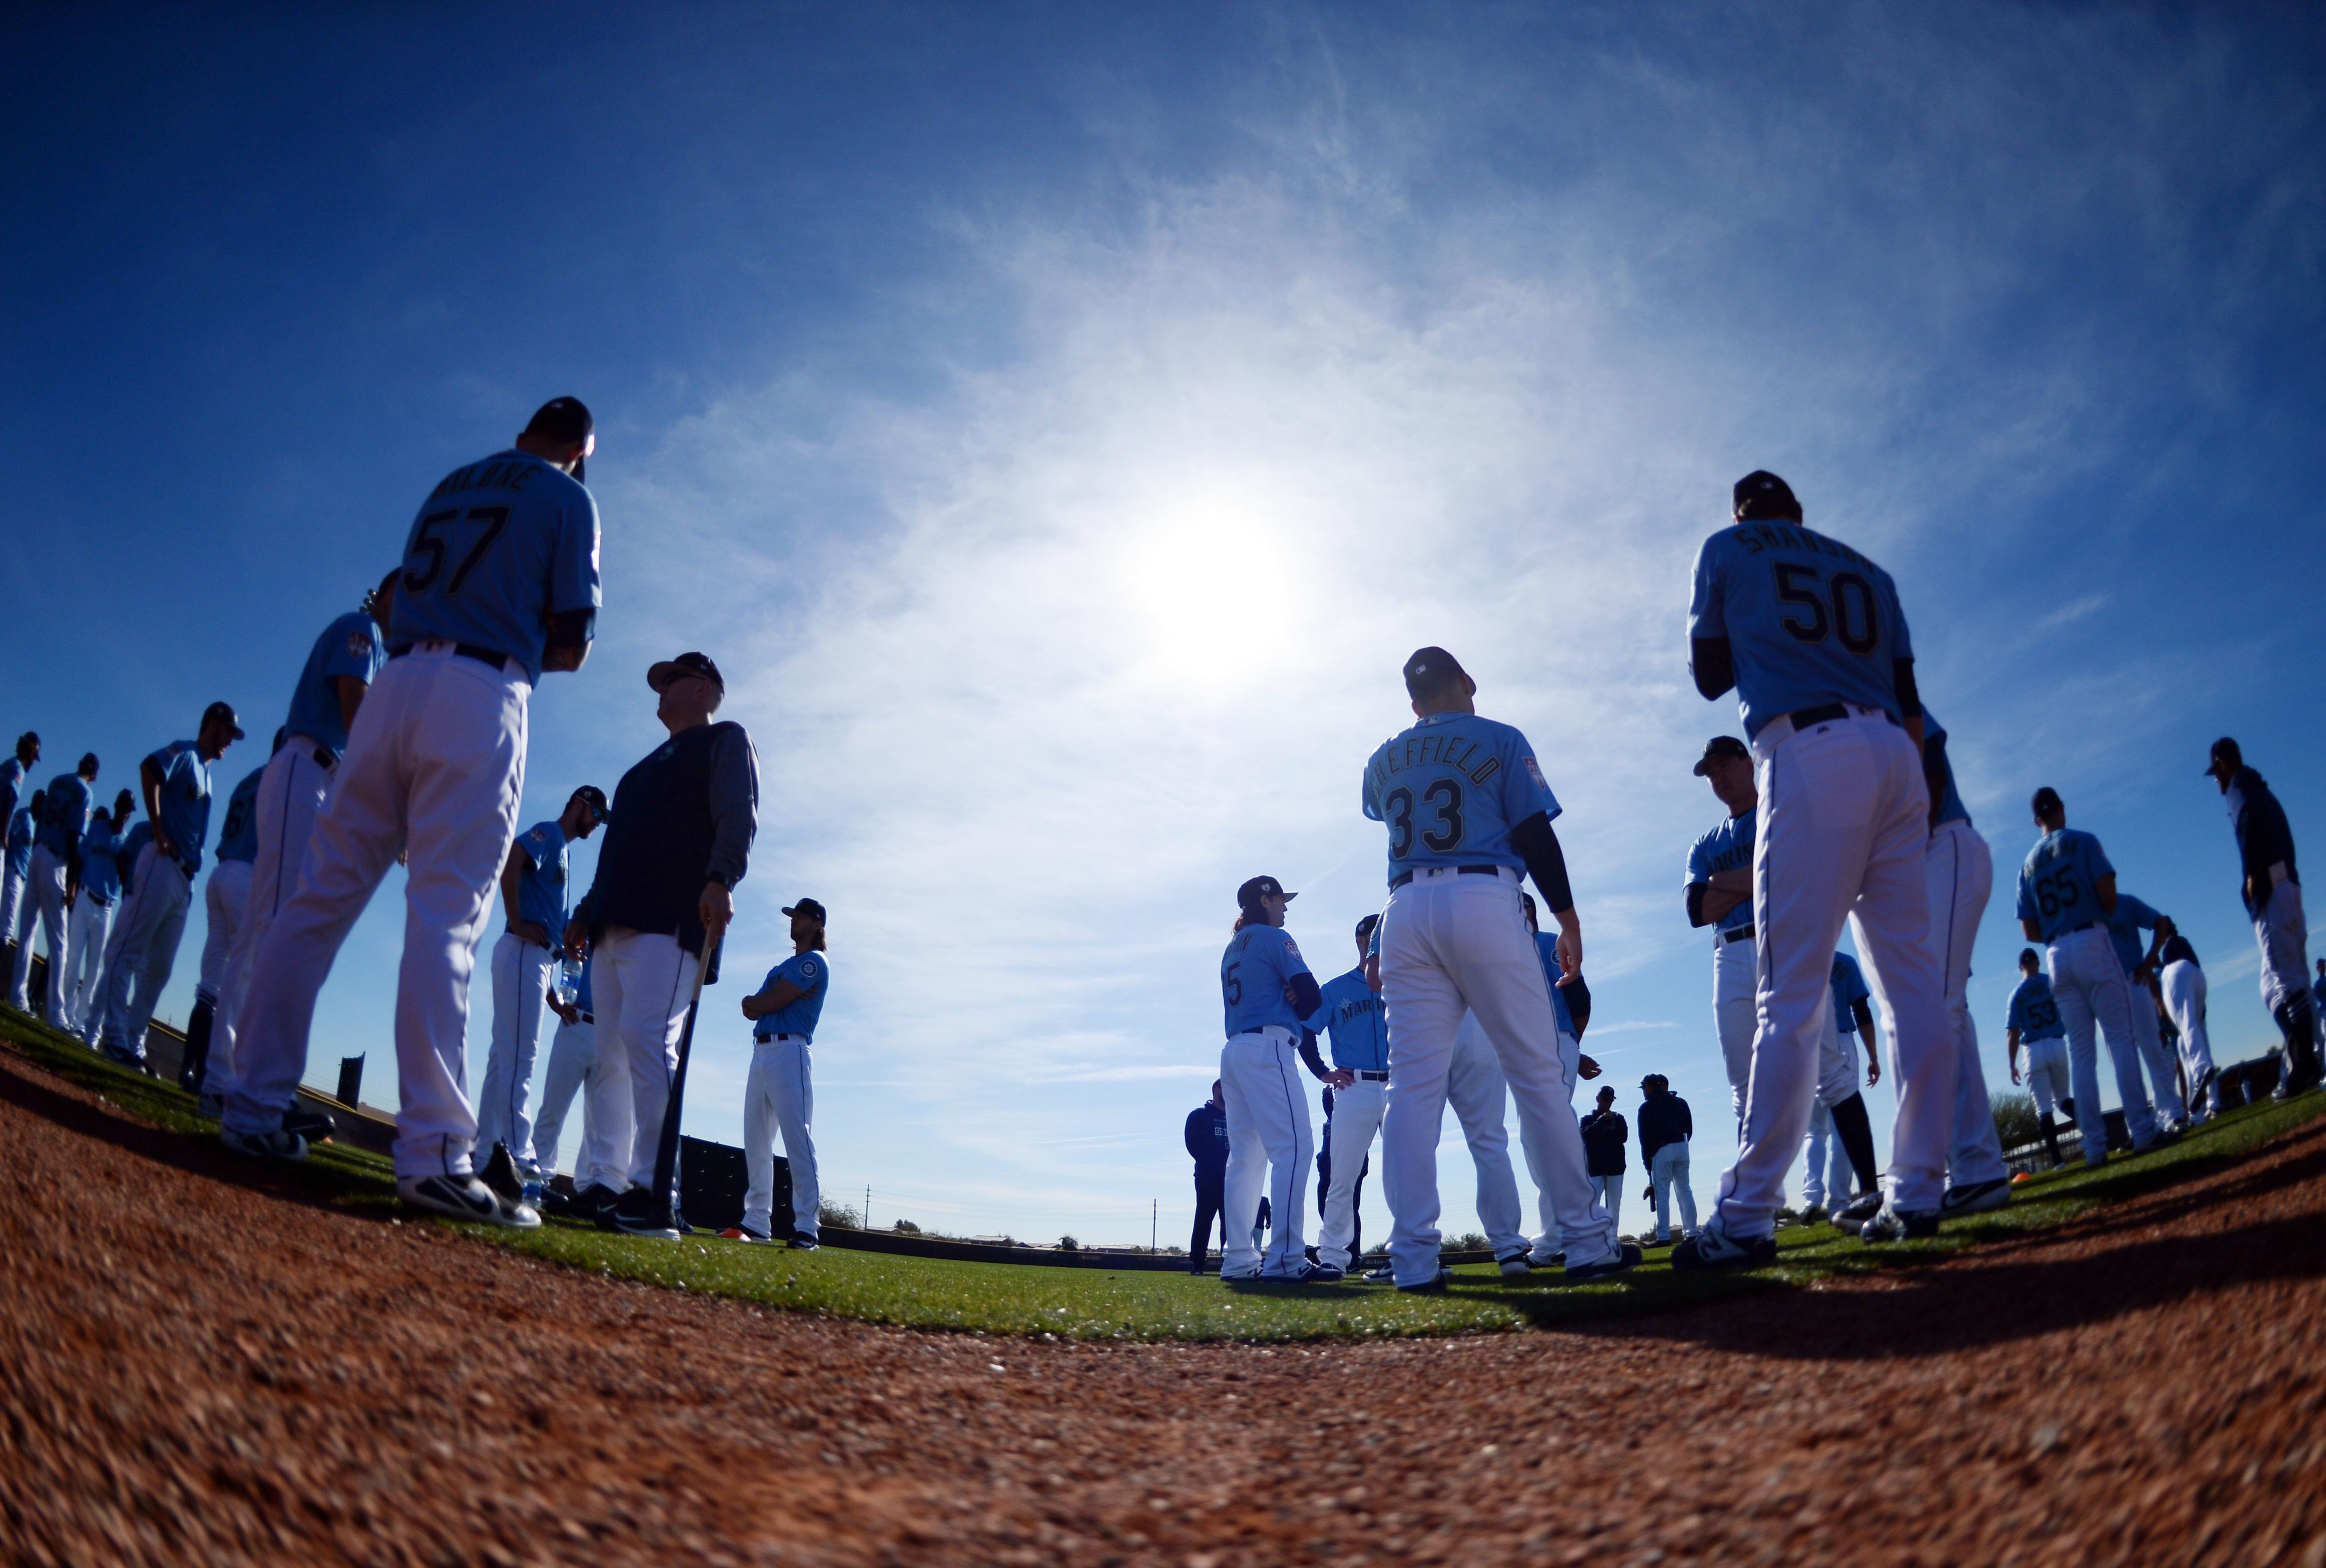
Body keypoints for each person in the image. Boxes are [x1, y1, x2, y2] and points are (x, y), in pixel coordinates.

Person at [223, 397, 601, 1232]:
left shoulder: (450, 481)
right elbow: (572, 641)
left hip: (393, 684)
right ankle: (432, 1154)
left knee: (316, 902)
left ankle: (250, 1105)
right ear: (581, 446)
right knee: (443, 921)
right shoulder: (568, 494)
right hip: (480, 688)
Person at [1677, 472, 1954, 1264]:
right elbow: (1907, 696)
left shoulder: (1728, 546)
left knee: (1789, 995)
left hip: (1809, 747)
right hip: (1896, 756)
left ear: (1743, 514)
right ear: (1797, 513)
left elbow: (1707, 677)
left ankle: (1747, 1215)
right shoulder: (1869, 569)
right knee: (1911, 982)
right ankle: (1918, 1189)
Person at [1364, 647, 1635, 1290]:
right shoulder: (1500, 736)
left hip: (1401, 908)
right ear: (1467, 682)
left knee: (1412, 1088)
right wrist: (1566, 918)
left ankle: (1411, 1256)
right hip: (1483, 895)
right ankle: (1584, 1237)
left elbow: (1382, 807)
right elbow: (1534, 832)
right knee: (1537, 1075)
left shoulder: (1382, 756)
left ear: (1411, 701)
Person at [564, 651, 759, 1235]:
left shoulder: (725, 738)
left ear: (702, 687)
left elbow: (737, 814)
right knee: (611, 1055)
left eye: (671, 680)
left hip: (673, 917)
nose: (661, 689)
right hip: (613, 922)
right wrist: (584, 911)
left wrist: (721, 876)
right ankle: (607, 1181)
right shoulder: (634, 772)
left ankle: (655, 1193)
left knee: (646, 1040)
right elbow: (613, 852)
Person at [203, 578, 394, 1119]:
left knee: (266, 928)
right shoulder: (364, 630)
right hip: (306, 767)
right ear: (384, 593)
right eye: (406, 594)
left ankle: (232, 1076)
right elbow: (355, 712)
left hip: (317, 778)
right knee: (274, 926)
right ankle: (241, 1081)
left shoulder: (378, 644)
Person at [2016, 787, 2167, 1166]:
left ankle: (2095, 1147)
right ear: (2062, 809)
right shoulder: (2084, 841)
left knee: (2081, 1054)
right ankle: (2144, 1132)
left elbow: (2029, 931)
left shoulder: (2028, 863)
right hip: (2091, 939)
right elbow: (2109, 897)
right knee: (2120, 1040)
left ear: (2037, 820)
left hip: (2055, 954)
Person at [473, 784, 607, 1197]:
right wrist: (515, 919)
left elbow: (549, 923)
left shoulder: (563, 850)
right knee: (520, 1057)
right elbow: (511, 861)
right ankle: (522, 1162)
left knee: (503, 1059)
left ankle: (484, 1159)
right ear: (580, 805)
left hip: (538, 960)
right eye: (596, 815)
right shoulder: (549, 833)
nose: (598, 824)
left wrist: (552, 989)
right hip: (522, 951)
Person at [98, 706, 244, 1067]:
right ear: (212, 725)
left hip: (185, 880)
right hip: (161, 865)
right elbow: (149, 770)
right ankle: (114, 1034)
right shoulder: (186, 753)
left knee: (160, 967)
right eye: (227, 731)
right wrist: (159, 831)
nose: (230, 740)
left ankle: (133, 1040)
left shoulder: (207, 774)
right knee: (128, 950)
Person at [1214, 874, 1333, 1282]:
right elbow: (1313, 996)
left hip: (1235, 1051)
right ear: (1265, 899)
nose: (1286, 907)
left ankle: (1239, 1260)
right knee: (1296, 1150)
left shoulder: (1234, 946)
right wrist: (1298, 995)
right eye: (1282, 899)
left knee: (1245, 1160)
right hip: (1269, 1048)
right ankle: (1285, 1259)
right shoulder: (1272, 937)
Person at [1918, 708, 2012, 1216]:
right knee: (1940, 1010)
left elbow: (1930, 755)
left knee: (1938, 1009)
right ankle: (1973, 1169)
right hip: (1921, 857)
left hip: (1940, 841)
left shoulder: (1878, 684)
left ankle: (1976, 1169)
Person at [2204, 739, 2315, 1098]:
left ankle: (2308, 1065)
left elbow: (2248, 817)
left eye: (2216, 771)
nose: (2216, 781)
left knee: (2287, 984)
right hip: (2288, 886)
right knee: (2275, 986)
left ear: (2224, 764)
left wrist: (2253, 873)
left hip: (2272, 890)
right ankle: (2308, 1059)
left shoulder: (2240, 789)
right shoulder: (2259, 787)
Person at [725, 899, 833, 1248]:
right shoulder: (783, 965)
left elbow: (768, 1002)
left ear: (818, 924)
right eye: (792, 916)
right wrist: (756, 1003)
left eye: (801, 917)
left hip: (791, 1051)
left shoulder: (814, 962)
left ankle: (807, 1227)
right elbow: (750, 1010)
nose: (794, 921)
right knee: (756, 1140)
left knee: (797, 1139)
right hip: (762, 1051)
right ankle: (757, 1220)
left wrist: (756, 1002)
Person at [1305, 914, 1387, 1274]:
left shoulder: (1408, 984)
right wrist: (1322, 1071)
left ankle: (1413, 1253)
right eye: (1371, 938)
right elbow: (1308, 1033)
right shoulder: (1336, 989)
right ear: (1360, 942)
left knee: (1409, 1172)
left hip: (1401, 1083)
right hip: (1354, 1087)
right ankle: (1334, 1257)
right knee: (1342, 1175)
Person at [1684, 735, 1759, 1128]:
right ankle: (1753, 1188)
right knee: (1743, 1084)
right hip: (1728, 952)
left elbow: (1790, 876)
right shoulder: (1704, 843)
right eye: (1711, 773)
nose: (1718, 778)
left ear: (1748, 763)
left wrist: (1719, 880)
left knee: (1823, 1070)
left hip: (1781, 938)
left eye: (1724, 766)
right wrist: (1758, 877)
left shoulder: (1780, 815)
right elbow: (1697, 911)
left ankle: (1862, 1183)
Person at [180, 750, 265, 1094]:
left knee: (213, 983)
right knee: (245, 979)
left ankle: (191, 1069)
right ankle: (221, 1076)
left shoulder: (247, 780)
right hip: (246, 874)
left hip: (221, 873)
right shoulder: (280, 776)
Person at [11, 752, 97, 1018]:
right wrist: (72, 883)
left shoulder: (57, 781)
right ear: (93, 775)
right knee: (60, 941)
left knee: (27, 929)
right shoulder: (85, 792)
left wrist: (37, 849)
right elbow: (74, 837)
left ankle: (18, 996)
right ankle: (58, 1012)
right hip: (56, 863)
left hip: (38, 852)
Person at [1805, 951, 1887, 1229]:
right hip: (1839, 1042)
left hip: (1804, 1046)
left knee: (1815, 1131)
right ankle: (1839, 1204)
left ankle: (1811, 1195)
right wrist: (1874, 1056)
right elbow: (1861, 1011)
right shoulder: (1844, 962)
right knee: (1844, 1126)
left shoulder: (1791, 958)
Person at [2105, 891, 2189, 1133]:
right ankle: (2139, 1127)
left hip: (2135, 980)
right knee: (2123, 1060)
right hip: (2108, 991)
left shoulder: (2125, 903)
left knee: (2153, 1048)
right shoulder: (2088, 908)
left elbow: (2160, 922)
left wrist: (2150, 958)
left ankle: (2172, 1114)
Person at [62, 791, 133, 1040]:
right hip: (84, 896)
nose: (125, 814)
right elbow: (79, 860)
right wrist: (71, 889)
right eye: (123, 808)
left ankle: (80, 1022)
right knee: (73, 958)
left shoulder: (125, 843)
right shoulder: (97, 829)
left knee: (93, 968)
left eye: (129, 811)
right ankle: (66, 1014)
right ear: (116, 807)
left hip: (105, 907)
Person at [530, 956, 598, 1184]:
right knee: (553, 1108)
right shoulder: (577, 928)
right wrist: (555, 1002)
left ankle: (590, 1187)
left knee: (599, 1122)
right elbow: (545, 957)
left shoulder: (623, 931)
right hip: (575, 1024)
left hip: (612, 1033)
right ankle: (538, 1176)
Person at [2005, 947, 2074, 1167]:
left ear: (2020, 967)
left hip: (2033, 1050)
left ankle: (2058, 1161)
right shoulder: (2052, 982)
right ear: (2038, 962)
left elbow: (2013, 1031)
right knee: (2063, 1099)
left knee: (2043, 1109)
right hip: (2056, 1042)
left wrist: (2011, 1064)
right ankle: (2096, 1135)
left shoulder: (2016, 994)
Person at [1638, 1074, 1696, 1245]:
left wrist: (1647, 1162)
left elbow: (1645, 1139)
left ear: (1650, 1087)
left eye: (1644, 1088)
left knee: (1662, 1194)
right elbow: (1689, 1129)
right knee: (1685, 1191)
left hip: (1661, 1150)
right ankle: (1692, 1232)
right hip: (1682, 1146)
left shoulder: (1646, 1107)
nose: (1644, 1091)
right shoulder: (1681, 1103)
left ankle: (1664, 1236)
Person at [1184, 1080, 1230, 1274]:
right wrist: (1210, 1163)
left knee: (1230, 1222)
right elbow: (1192, 1144)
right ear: (1217, 1090)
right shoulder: (1199, 1115)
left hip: (1232, 1178)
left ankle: (1229, 1261)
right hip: (1207, 1177)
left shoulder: (1236, 1117)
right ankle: (1198, 1263)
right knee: (1204, 1218)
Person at [1578, 1087, 1626, 1233]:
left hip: (1615, 1167)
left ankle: (1612, 1237)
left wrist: (1600, 1136)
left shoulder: (1619, 1119)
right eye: (1605, 1099)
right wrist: (1602, 1121)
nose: (1608, 1103)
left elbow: (1623, 1138)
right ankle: (1593, 1237)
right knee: (1592, 1205)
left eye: (1610, 1100)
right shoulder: (1587, 1119)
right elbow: (1586, 1135)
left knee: (1614, 1206)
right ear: (1598, 1099)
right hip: (1595, 1168)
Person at [1, 790, 35, 971]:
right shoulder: (24, 815)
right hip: (12, 871)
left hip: (20, 876)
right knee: (8, 926)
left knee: (6, 925)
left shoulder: (34, 822)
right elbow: (8, 835)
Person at [0, 734, 36, 856]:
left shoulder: (7, 764)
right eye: (34, 757)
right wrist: (4, 833)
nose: (33, 763)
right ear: (30, 752)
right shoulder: (18, 769)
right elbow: (9, 796)